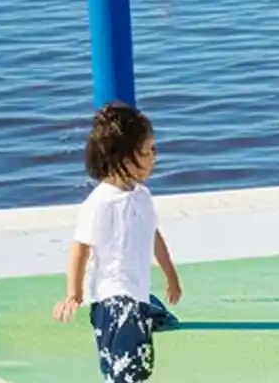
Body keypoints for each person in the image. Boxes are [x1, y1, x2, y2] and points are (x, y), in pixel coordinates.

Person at [51, 103, 183, 383]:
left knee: (143, 338)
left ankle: (148, 313)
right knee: (128, 370)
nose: (154, 158)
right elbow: (80, 248)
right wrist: (73, 294)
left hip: (137, 289)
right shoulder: (100, 203)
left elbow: (153, 235)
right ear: (122, 158)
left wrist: (171, 274)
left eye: (154, 150)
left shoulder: (142, 196)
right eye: (146, 152)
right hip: (112, 297)